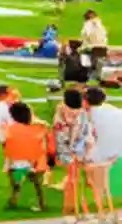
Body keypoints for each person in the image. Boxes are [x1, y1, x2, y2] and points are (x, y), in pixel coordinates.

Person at [2, 101, 49, 213]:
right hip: (34, 162)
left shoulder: (11, 129)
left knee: (16, 182)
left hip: (17, 162)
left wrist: (7, 164)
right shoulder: (38, 128)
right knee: (38, 185)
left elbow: (8, 147)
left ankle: (13, 199)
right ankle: (41, 203)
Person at [52, 87, 91, 219]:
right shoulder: (81, 113)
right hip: (74, 151)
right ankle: (74, 209)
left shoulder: (60, 114)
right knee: (73, 180)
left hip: (72, 151)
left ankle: (73, 209)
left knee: (73, 180)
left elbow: (60, 136)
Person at [84, 87, 122, 219]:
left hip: (104, 154)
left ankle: (101, 212)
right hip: (118, 152)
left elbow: (89, 139)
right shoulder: (114, 111)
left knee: (92, 169)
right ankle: (113, 211)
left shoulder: (89, 115)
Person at [82, 10, 109, 83]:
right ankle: (95, 75)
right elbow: (104, 36)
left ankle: (94, 75)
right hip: (97, 47)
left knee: (96, 61)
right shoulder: (95, 24)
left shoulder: (91, 23)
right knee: (97, 61)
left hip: (95, 47)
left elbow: (88, 35)